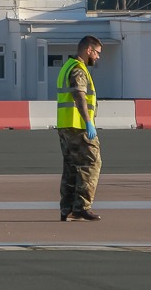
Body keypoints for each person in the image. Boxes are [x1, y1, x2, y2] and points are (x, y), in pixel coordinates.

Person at [56, 36, 103, 221]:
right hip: (79, 127)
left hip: (66, 125)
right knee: (91, 163)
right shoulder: (78, 69)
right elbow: (79, 96)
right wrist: (88, 122)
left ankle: (66, 208)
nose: (98, 57)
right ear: (89, 50)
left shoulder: (67, 66)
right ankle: (82, 207)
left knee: (71, 167)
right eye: (97, 53)